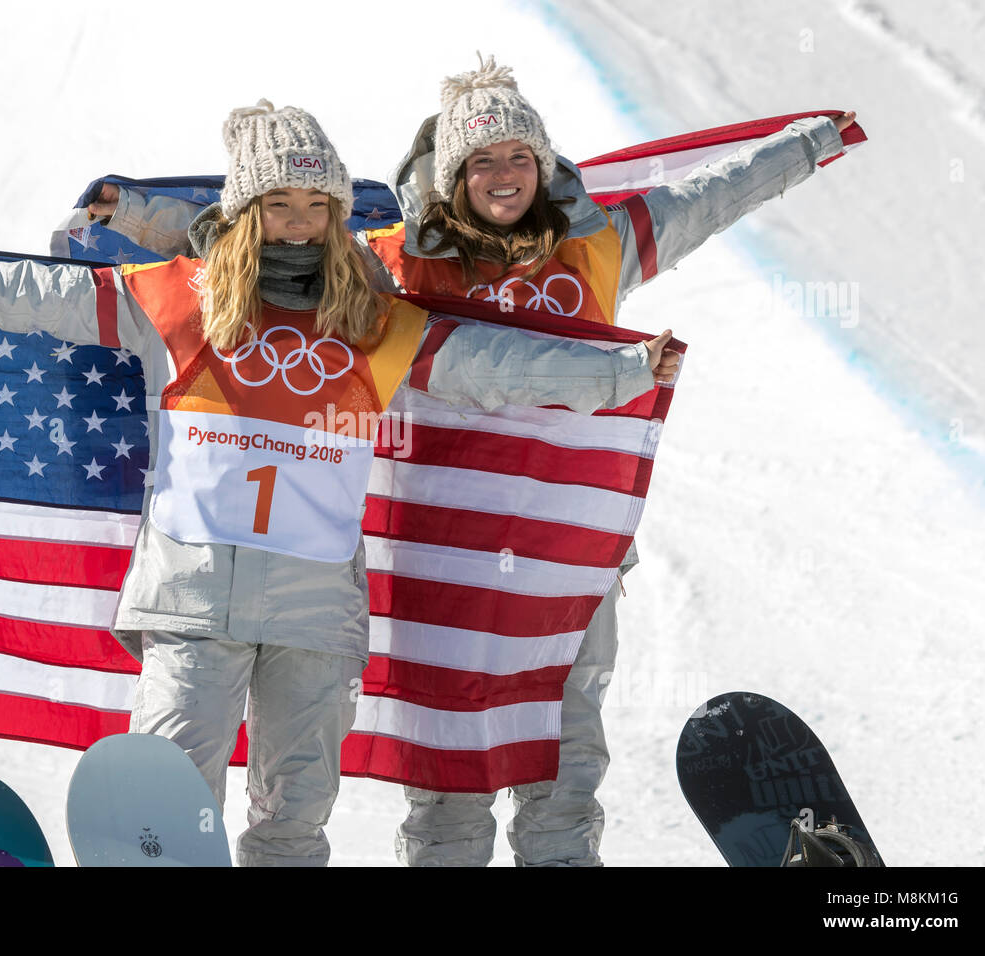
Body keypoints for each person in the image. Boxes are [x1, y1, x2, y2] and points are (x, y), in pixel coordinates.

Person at [0, 99, 679, 866]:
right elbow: (36, 297)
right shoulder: (176, 299)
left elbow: (496, 364)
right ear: (246, 212)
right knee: (168, 809)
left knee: (292, 819)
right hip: (192, 606)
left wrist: (622, 373)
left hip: (313, 620)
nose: (301, 224)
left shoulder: (374, 321)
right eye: (282, 205)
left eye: (320, 208)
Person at [355, 54, 857, 867]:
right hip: (443, 555)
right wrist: (140, 220)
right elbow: (280, 252)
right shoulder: (394, 264)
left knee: (565, 762)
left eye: (521, 156)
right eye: (482, 160)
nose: (505, 174)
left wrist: (805, 145)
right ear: (452, 175)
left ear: (546, 165)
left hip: (567, 555)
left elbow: (709, 196)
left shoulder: (599, 246)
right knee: (448, 776)